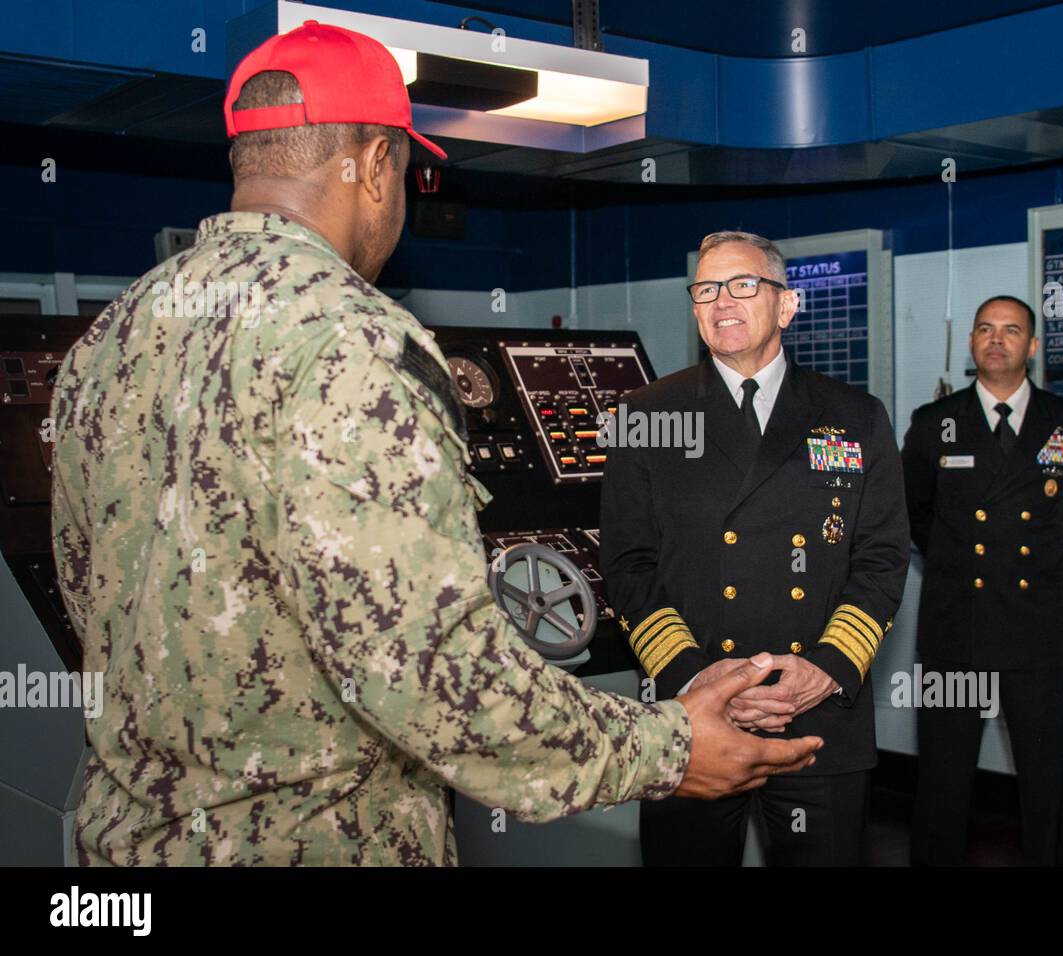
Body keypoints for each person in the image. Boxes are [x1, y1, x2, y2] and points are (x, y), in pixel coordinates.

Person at [50, 22, 820, 867]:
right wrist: (667, 747)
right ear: (376, 164)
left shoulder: (113, 336)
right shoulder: (353, 340)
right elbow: (431, 672)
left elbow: (88, 593)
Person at [600, 230, 910, 867]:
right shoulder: (646, 413)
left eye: (743, 285)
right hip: (693, 717)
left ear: (787, 305)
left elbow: (882, 557)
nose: (723, 302)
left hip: (820, 713)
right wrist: (695, 678)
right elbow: (629, 563)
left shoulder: (854, 415)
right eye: (706, 290)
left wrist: (825, 666)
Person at [901, 295, 1063, 866]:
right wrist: (961, 561)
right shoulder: (932, 424)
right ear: (971, 343)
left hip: (1040, 631)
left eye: (1012, 330)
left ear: (1033, 346)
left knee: (1046, 785)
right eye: (985, 330)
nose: (997, 340)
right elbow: (912, 513)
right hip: (956, 631)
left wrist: (1042, 568)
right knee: (942, 783)